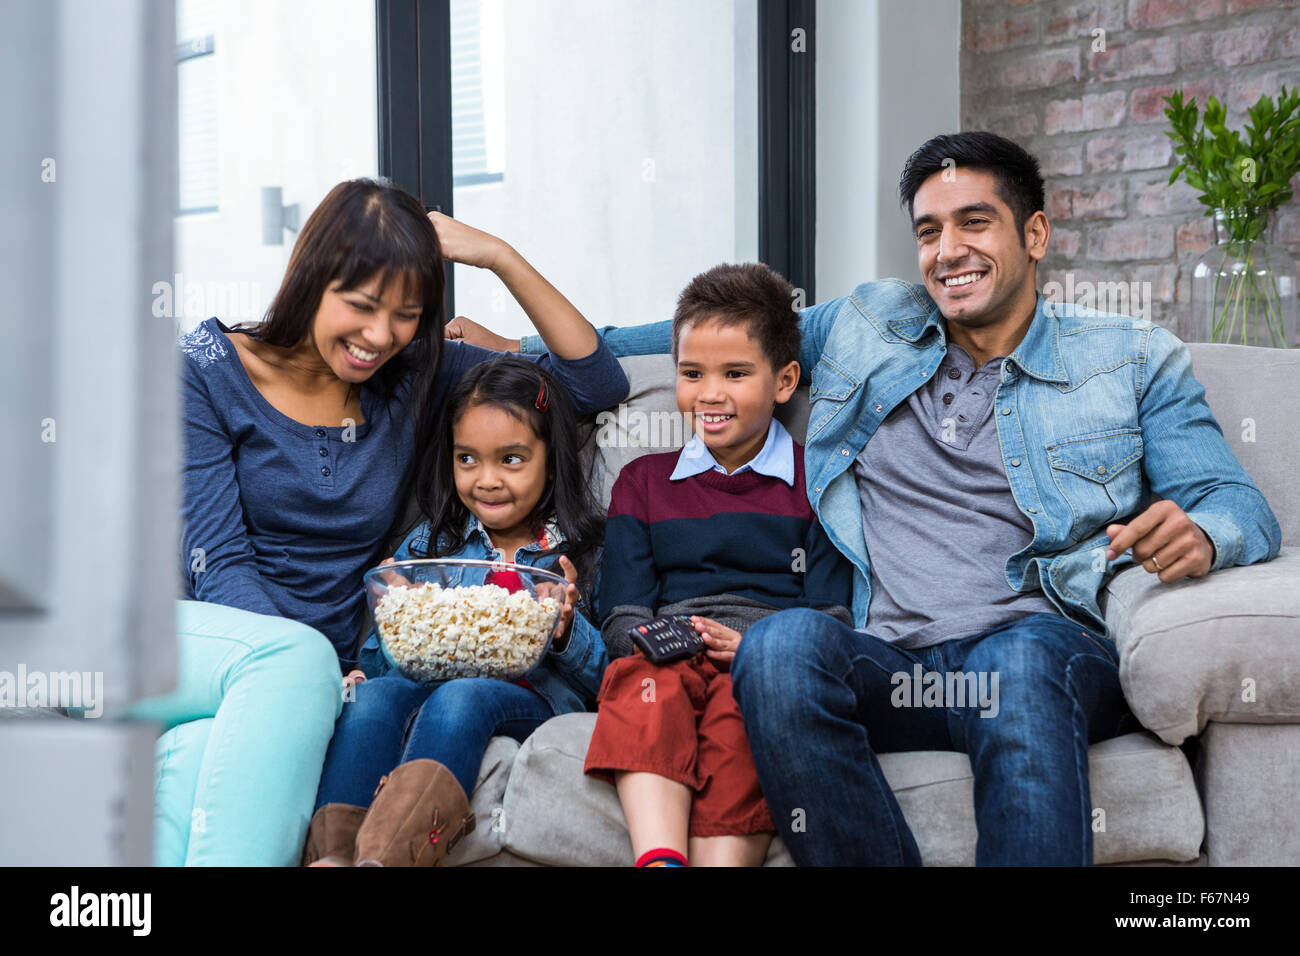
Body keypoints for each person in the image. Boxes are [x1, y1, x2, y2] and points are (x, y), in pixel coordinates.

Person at [457, 132, 1281, 866]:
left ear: (1035, 235)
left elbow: (1236, 502)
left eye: (974, 223)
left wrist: (1205, 532)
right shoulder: (868, 324)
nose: (948, 251)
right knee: (780, 649)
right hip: (892, 659)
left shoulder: (1132, 358)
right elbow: (720, 331)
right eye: (929, 231)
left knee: (1021, 659)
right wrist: (522, 350)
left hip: (1039, 648)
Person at [142, 177, 628, 866]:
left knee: (193, 776)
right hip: (228, 648)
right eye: (362, 305)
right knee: (289, 671)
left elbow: (592, 386)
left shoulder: (414, 376)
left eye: (407, 313)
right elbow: (218, 564)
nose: (380, 336)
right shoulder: (204, 374)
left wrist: (497, 255)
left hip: (336, 673)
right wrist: (314, 672)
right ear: (311, 279)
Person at [582, 263, 853, 867]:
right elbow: (621, 614)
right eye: (691, 374)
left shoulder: (819, 482)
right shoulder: (643, 483)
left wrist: (751, 645)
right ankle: (659, 858)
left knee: (745, 714)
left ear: (784, 381)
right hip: (666, 654)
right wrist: (670, 641)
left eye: (735, 374)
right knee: (642, 687)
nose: (709, 393)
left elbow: (831, 617)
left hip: (764, 661)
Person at [307, 357, 608, 866]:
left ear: (551, 461)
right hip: (427, 687)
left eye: (511, 459)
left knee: (460, 696)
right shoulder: (430, 545)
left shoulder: (581, 551)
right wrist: (393, 611)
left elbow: (607, 679)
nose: (485, 480)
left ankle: (388, 858)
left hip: (531, 701)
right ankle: (331, 857)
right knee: (374, 699)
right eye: (467, 459)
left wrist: (565, 628)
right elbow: (383, 664)